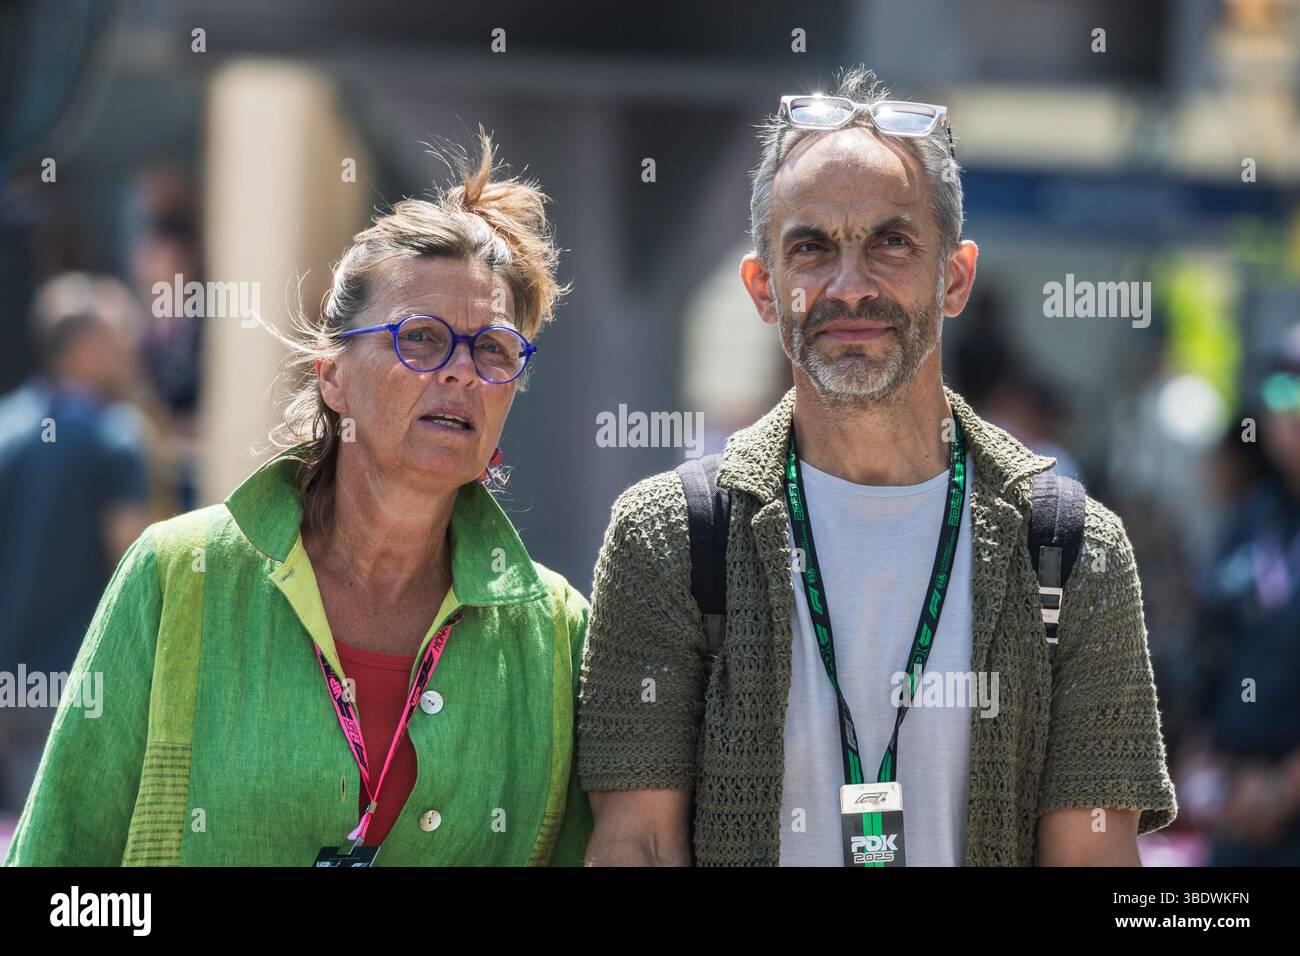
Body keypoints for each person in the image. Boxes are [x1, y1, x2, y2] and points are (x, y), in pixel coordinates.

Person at [577, 67, 1177, 867]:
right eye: (811, 248)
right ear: (765, 288)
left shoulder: (1073, 548)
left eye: (891, 242)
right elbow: (638, 847)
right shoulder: (670, 538)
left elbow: (1094, 860)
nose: (848, 286)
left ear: (953, 277)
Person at [5, 132, 592, 866]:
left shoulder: (558, 632)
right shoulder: (177, 575)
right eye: (420, 339)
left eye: (495, 350)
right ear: (334, 377)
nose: (462, 373)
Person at [0, 274, 151, 818]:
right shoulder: (115, 435)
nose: (131, 351)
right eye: (119, 338)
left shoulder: (7, 425)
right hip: (74, 679)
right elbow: (134, 565)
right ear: (86, 349)